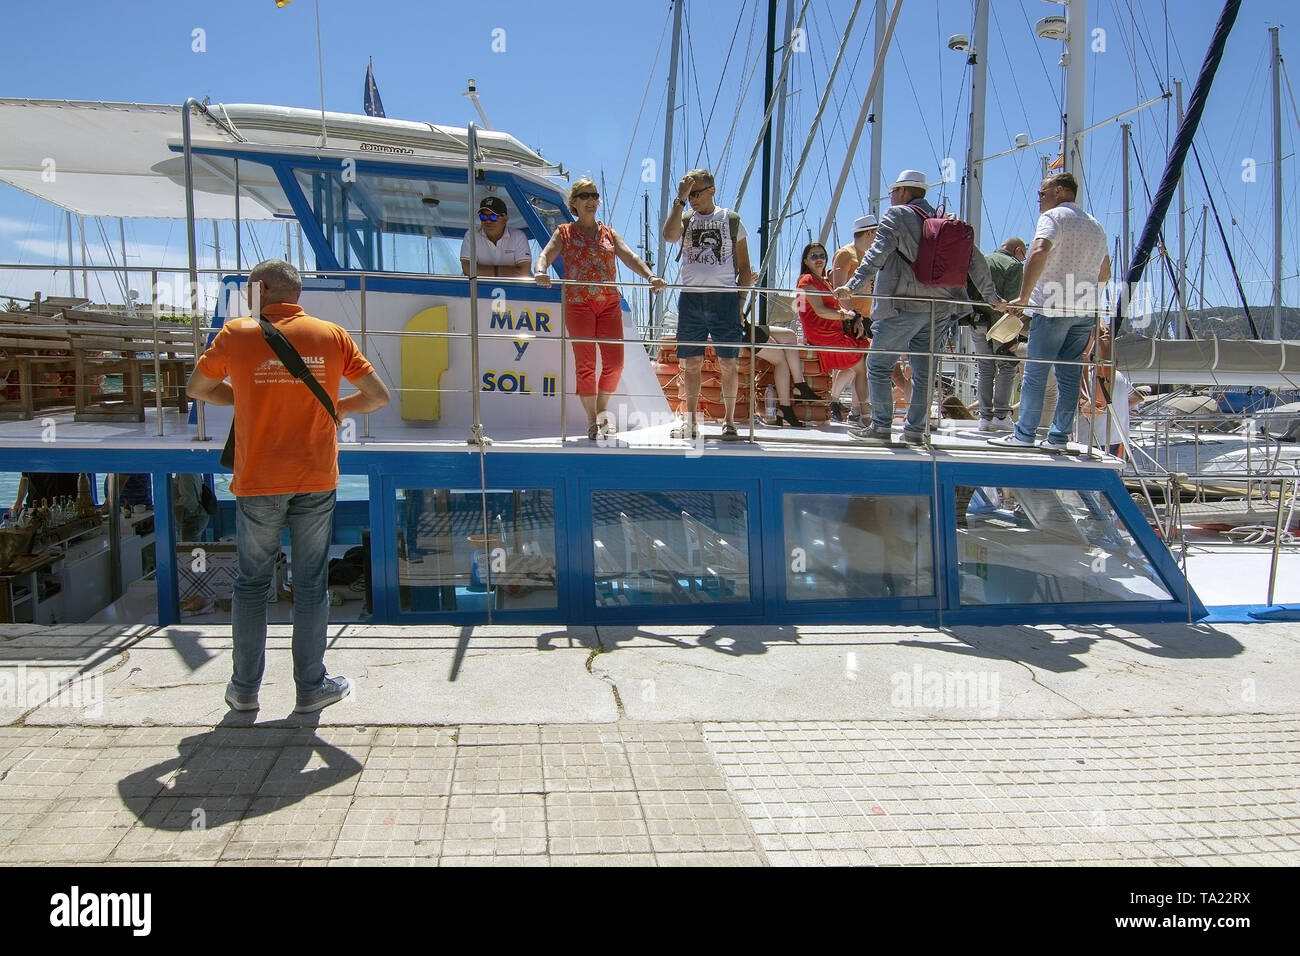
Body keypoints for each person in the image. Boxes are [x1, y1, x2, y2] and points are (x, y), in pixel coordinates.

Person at [187, 259, 391, 713]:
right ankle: (310, 688)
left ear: (260, 289)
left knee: (252, 584)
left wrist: (247, 396)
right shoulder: (331, 335)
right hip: (315, 476)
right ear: (295, 294)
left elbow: (197, 388)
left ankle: (243, 690)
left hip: (258, 479)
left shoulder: (237, 334)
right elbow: (378, 396)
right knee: (311, 583)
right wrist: (337, 409)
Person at [836, 169, 1002, 446]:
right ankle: (916, 430)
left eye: (892, 193)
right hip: (940, 308)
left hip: (902, 305)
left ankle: (880, 427)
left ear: (903, 192)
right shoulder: (947, 221)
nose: (890, 198)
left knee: (878, 364)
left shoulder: (897, 216)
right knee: (925, 371)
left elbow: (876, 256)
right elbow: (976, 262)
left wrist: (851, 287)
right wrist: (992, 297)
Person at [534, 178, 666, 440]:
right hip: (578, 304)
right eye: (585, 195)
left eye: (594, 195)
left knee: (615, 365)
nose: (592, 200)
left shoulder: (609, 233)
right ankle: (593, 421)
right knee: (585, 365)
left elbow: (631, 257)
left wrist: (650, 276)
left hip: (609, 304)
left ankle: (602, 410)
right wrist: (540, 271)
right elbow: (546, 254)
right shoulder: (564, 232)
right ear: (574, 203)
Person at [988, 172, 1110, 452]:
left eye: (1042, 193)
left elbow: (1040, 250)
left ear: (1059, 191)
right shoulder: (1097, 226)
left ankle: (1025, 433)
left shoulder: (1053, 218)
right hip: (1084, 308)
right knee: (1069, 375)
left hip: (1052, 306)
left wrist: (1024, 296)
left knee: (1036, 370)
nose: (1039, 199)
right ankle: (1059, 437)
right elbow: (1105, 271)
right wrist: (1093, 302)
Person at [661, 168, 755, 441]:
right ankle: (690, 422)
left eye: (696, 193)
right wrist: (679, 200)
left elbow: (746, 268)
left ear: (712, 191)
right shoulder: (686, 218)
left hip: (724, 298)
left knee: (729, 363)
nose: (692, 199)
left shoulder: (731, 219)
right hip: (691, 298)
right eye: (689, 194)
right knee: (690, 363)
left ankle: (728, 421)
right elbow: (668, 236)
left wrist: (740, 302)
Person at [798, 241, 867, 424]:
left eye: (822, 255)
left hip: (831, 331)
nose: (819, 259)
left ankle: (859, 410)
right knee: (861, 364)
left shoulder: (825, 282)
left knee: (862, 359)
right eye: (814, 256)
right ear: (806, 261)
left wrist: (855, 318)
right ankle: (864, 414)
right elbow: (820, 311)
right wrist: (848, 315)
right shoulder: (807, 280)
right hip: (822, 333)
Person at [970, 237, 1027, 432]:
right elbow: (1013, 304)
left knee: (985, 369)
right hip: (1001, 325)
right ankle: (1001, 416)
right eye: (1024, 255)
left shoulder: (982, 259)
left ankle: (985, 417)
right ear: (1017, 250)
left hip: (977, 321)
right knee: (1007, 367)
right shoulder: (1013, 265)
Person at [829, 214, 879, 422]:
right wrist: (853, 314)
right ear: (869, 233)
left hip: (866, 316)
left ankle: (855, 409)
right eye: (876, 234)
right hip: (851, 316)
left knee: (861, 365)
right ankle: (834, 399)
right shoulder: (846, 254)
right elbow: (837, 288)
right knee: (855, 363)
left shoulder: (866, 256)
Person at [459, 196, 532, 278]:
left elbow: (524, 272)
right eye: (483, 217)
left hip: (512, 289)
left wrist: (488, 272)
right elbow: (467, 269)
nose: (488, 221)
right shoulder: (471, 235)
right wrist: (503, 272)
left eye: (493, 217)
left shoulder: (518, 237)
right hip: (478, 288)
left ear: (505, 219)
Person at [173, 473, 212, 542]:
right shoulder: (192, 470)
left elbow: (189, 499)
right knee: (193, 549)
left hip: (192, 517)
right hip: (197, 515)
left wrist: (172, 502)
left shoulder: (185, 474)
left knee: (189, 550)